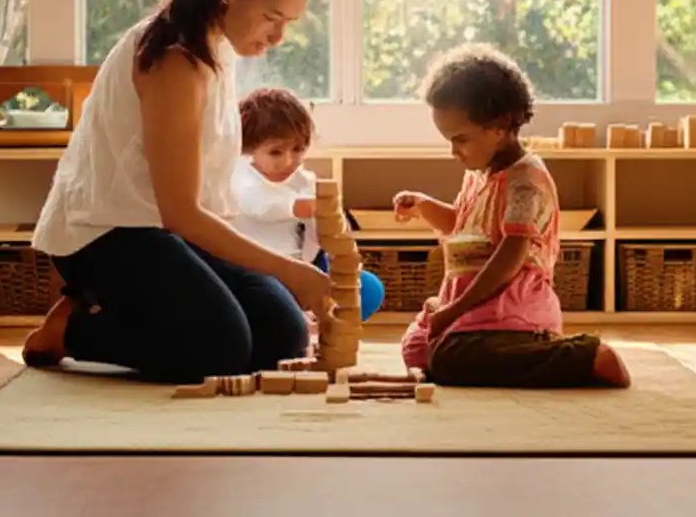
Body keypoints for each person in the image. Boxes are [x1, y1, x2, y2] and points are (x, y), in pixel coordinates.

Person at [21, 0, 331, 384]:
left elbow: (192, 213)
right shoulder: (173, 58)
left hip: (171, 236)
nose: (279, 36)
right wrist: (293, 270)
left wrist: (286, 277)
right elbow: (180, 213)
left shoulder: (217, 49)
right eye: (271, 17)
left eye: (289, 22)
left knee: (283, 335)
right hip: (108, 233)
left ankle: (152, 321)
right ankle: (72, 330)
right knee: (219, 348)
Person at [395, 44, 631, 388]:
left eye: (460, 139)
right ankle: (474, 347)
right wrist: (423, 205)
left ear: (501, 125)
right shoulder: (480, 173)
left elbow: (511, 255)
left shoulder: (524, 182)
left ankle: (585, 357)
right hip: (474, 309)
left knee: (451, 359)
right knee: (416, 348)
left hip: (509, 313)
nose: (453, 151)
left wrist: (456, 309)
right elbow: (462, 225)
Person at [229, 87, 385, 322]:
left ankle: (316, 318)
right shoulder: (242, 178)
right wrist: (298, 207)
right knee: (268, 302)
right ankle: (297, 319)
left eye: (298, 149)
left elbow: (324, 226)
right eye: (276, 152)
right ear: (248, 150)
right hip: (260, 270)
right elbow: (259, 204)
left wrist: (330, 222)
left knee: (367, 287)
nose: (288, 161)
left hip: (305, 266)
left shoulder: (303, 180)